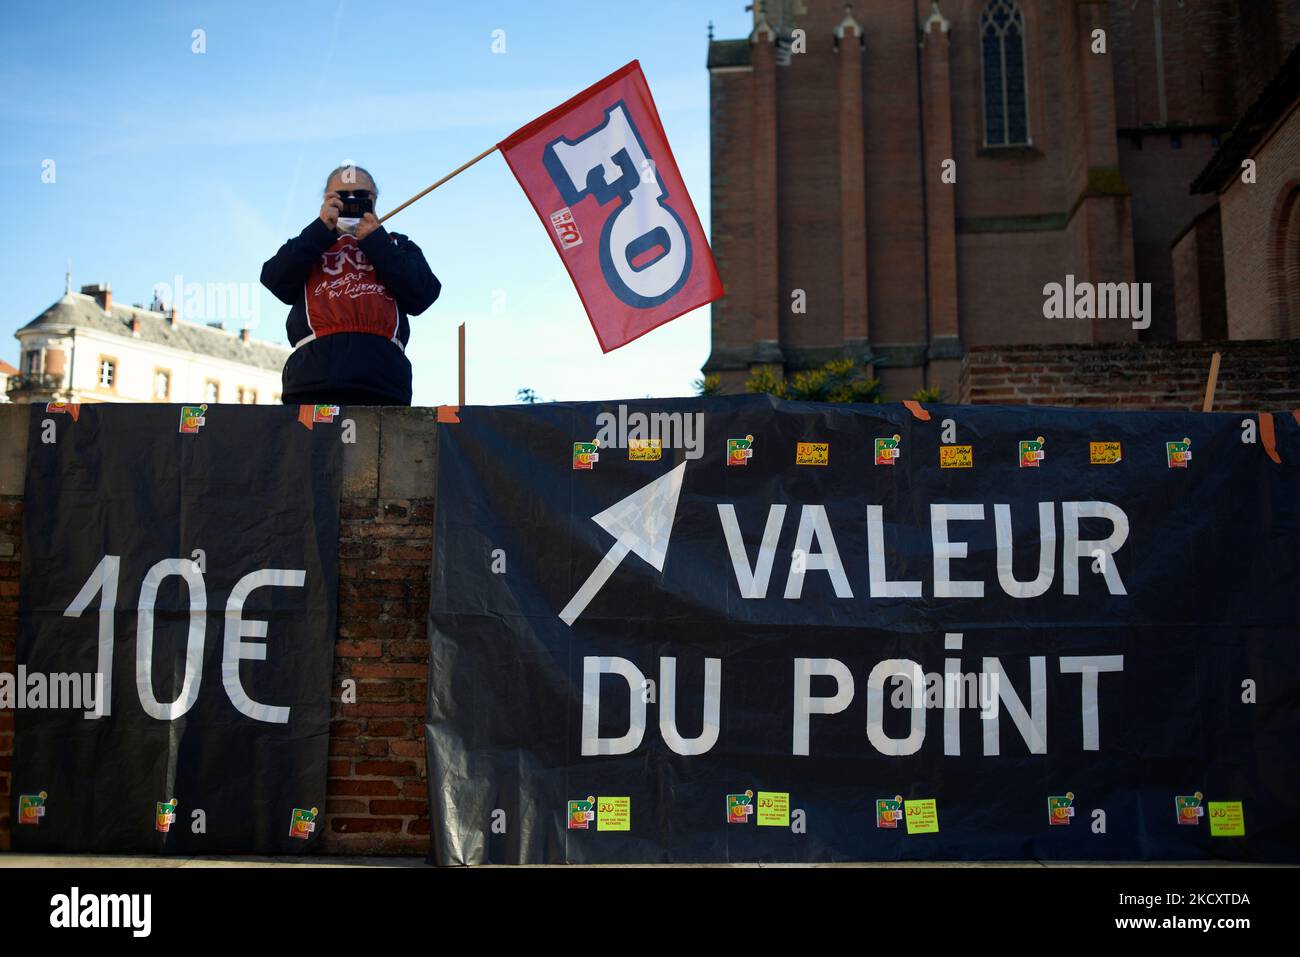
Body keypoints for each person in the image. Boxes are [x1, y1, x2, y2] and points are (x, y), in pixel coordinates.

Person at [261, 165, 440, 406]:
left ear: (374, 200)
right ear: (326, 200)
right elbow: (275, 280)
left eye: (361, 196)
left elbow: (423, 294)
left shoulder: (397, 244)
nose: (352, 202)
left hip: (383, 382)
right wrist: (320, 229)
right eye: (342, 196)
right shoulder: (308, 243)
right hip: (313, 381)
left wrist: (377, 241)